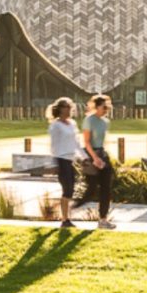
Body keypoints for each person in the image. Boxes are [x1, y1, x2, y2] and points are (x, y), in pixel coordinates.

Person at [79, 92, 117, 230]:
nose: (106, 110)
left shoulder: (105, 122)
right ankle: (72, 207)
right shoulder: (89, 120)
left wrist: (103, 157)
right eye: (104, 107)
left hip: (102, 154)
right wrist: (95, 158)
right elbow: (87, 142)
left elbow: (102, 141)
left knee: (106, 188)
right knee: (92, 189)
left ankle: (103, 220)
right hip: (91, 155)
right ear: (96, 107)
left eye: (107, 107)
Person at [45, 97, 82, 229]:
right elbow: (53, 145)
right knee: (67, 190)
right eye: (66, 107)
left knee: (71, 190)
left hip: (71, 160)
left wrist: (84, 158)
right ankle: (65, 220)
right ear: (60, 109)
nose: (69, 109)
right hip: (61, 160)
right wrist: (53, 163)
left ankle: (65, 216)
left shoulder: (72, 123)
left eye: (70, 106)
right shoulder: (56, 125)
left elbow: (77, 143)